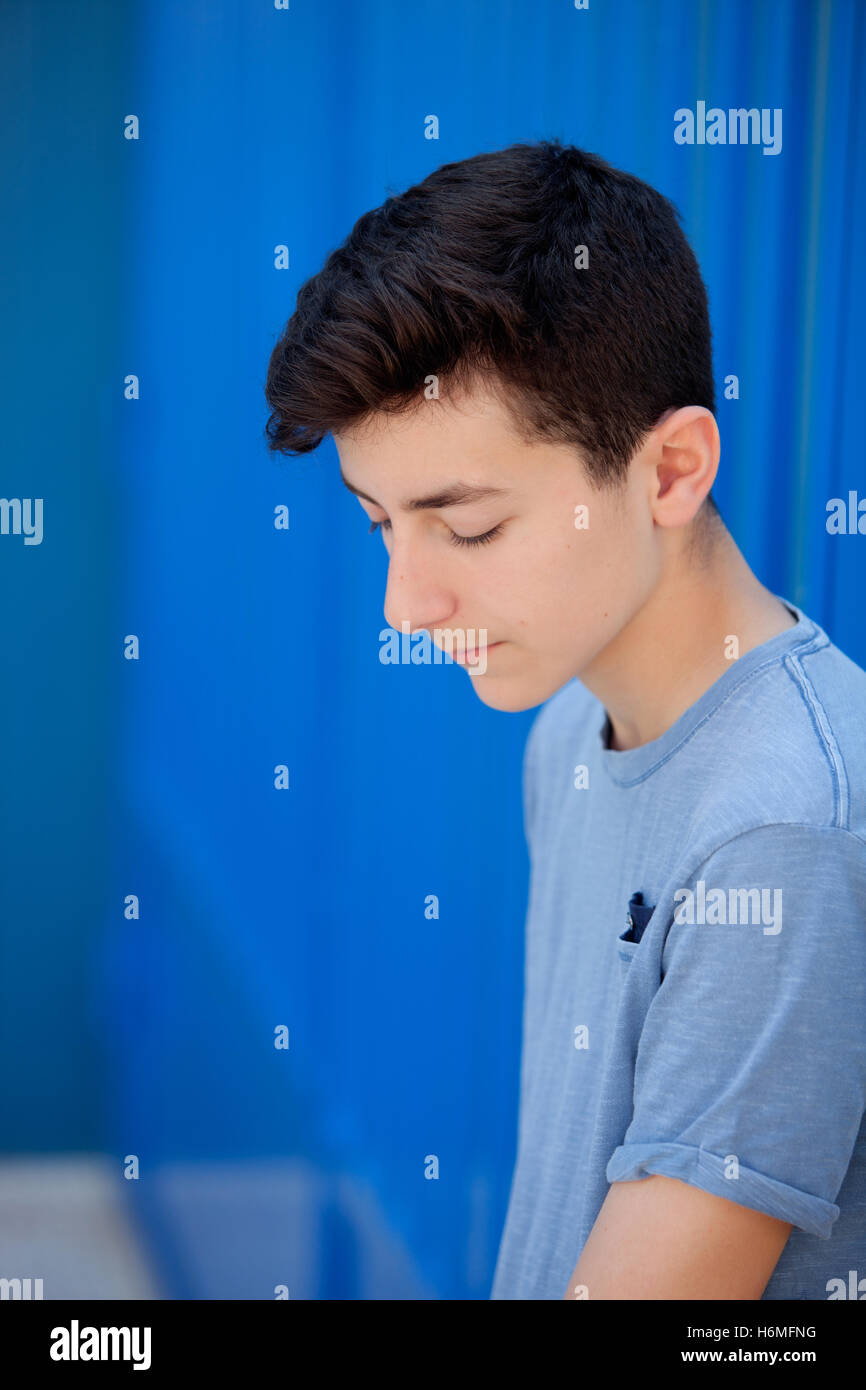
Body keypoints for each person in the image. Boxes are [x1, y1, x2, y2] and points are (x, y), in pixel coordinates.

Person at [263, 140, 866, 1300]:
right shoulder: (568, 731)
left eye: (469, 526)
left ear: (670, 471)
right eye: (378, 522)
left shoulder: (785, 828)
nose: (406, 604)